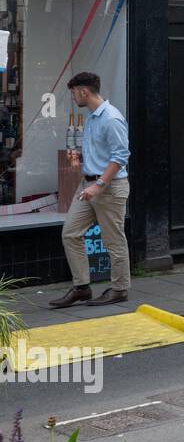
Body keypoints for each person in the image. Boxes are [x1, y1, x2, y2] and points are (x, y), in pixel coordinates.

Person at [49, 72, 132, 309]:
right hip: (87, 185)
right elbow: (101, 152)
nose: (74, 98)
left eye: (74, 93)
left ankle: (119, 289)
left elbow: (121, 156)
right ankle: (82, 287)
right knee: (71, 233)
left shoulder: (111, 118)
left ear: (84, 91)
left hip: (108, 187)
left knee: (113, 240)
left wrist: (99, 185)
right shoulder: (93, 117)